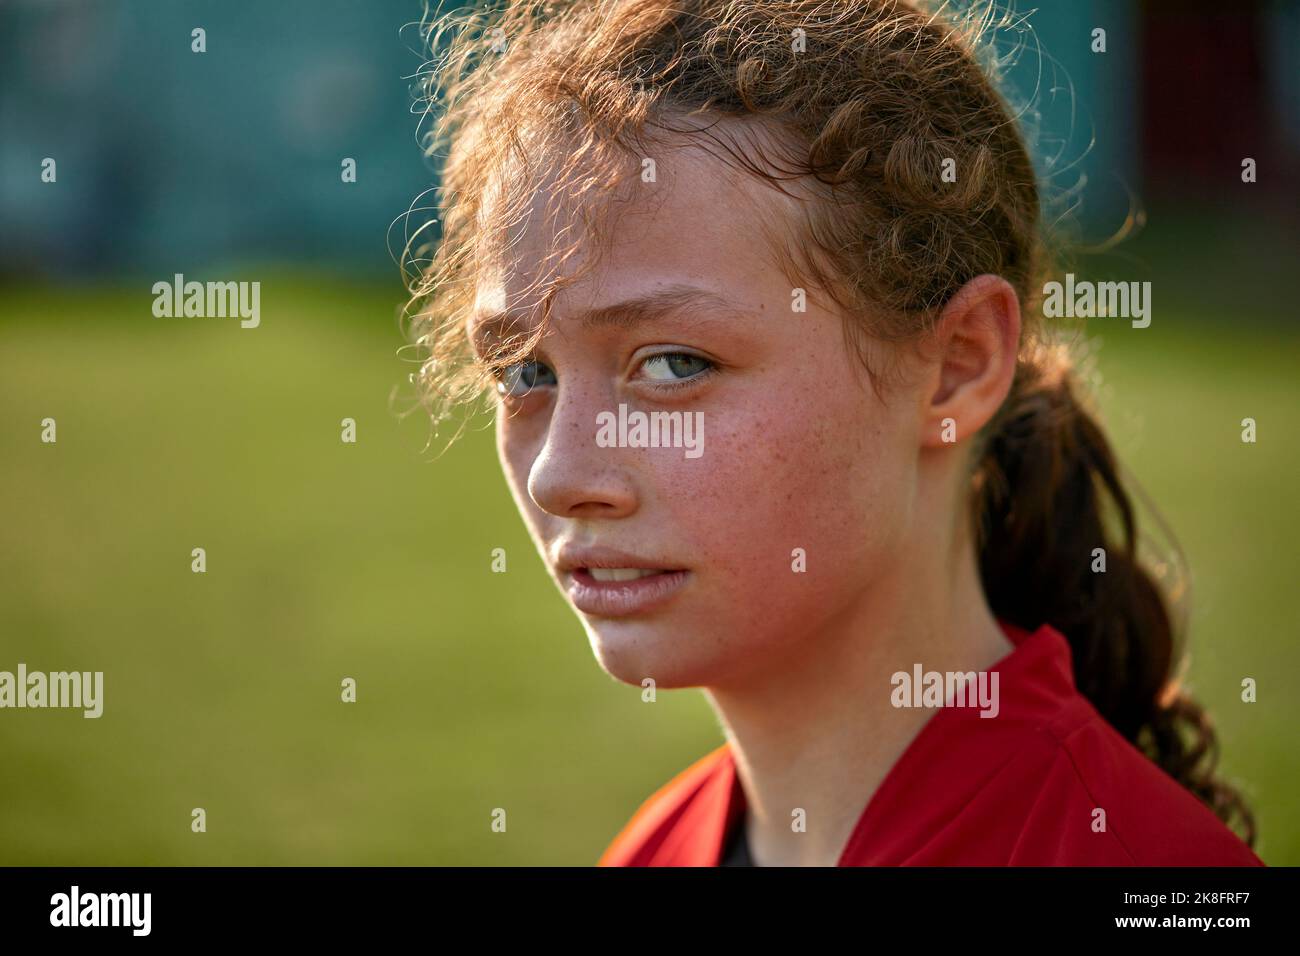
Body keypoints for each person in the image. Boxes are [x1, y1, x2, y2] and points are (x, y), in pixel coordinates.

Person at [406, 0, 1261, 865]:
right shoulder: (652, 850)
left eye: (672, 364)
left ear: (957, 365)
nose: (560, 475)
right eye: (525, 374)